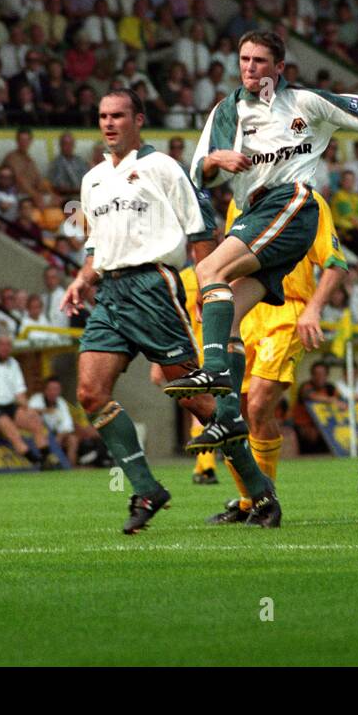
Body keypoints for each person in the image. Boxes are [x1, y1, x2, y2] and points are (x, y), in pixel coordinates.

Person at [165, 30, 358, 512]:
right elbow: (200, 176)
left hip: (293, 204)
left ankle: (213, 374)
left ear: (279, 68)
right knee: (228, 312)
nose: (249, 67)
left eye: (259, 60)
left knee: (210, 269)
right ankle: (236, 441)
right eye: (243, 59)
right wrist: (216, 160)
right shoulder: (227, 112)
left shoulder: (306, 103)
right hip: (256, 216)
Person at [61, 88, 234, 533]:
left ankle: (257, 489)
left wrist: (207, 285)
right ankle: (147, 490)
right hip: (110, 293)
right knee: (90, 394)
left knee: (194, 398)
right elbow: (95, 245)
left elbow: (201, 229)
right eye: (103, 116)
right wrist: (82, 280)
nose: (108, 123)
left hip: (154, 286)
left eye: (118, 115)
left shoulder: (163, 167)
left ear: (138, 120)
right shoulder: (93, 179)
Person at [202, 187, 347, 525]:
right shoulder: (238, 202)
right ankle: (248, 500)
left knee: (259, 404)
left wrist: (314, 309)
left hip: (287, 311)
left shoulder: (309, 200)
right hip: (244, 312)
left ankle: (264, 499)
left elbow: (336, 263)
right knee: (233, 409)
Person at [0, 334, 52, 469]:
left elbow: (19, 392)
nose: (5, 348)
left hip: (10, 405)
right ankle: (36, 462)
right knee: (12, 431)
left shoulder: (13, 363)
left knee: (36, 422)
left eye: (8, 345)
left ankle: (47, 458)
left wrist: (28, 409)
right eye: (2, 344)